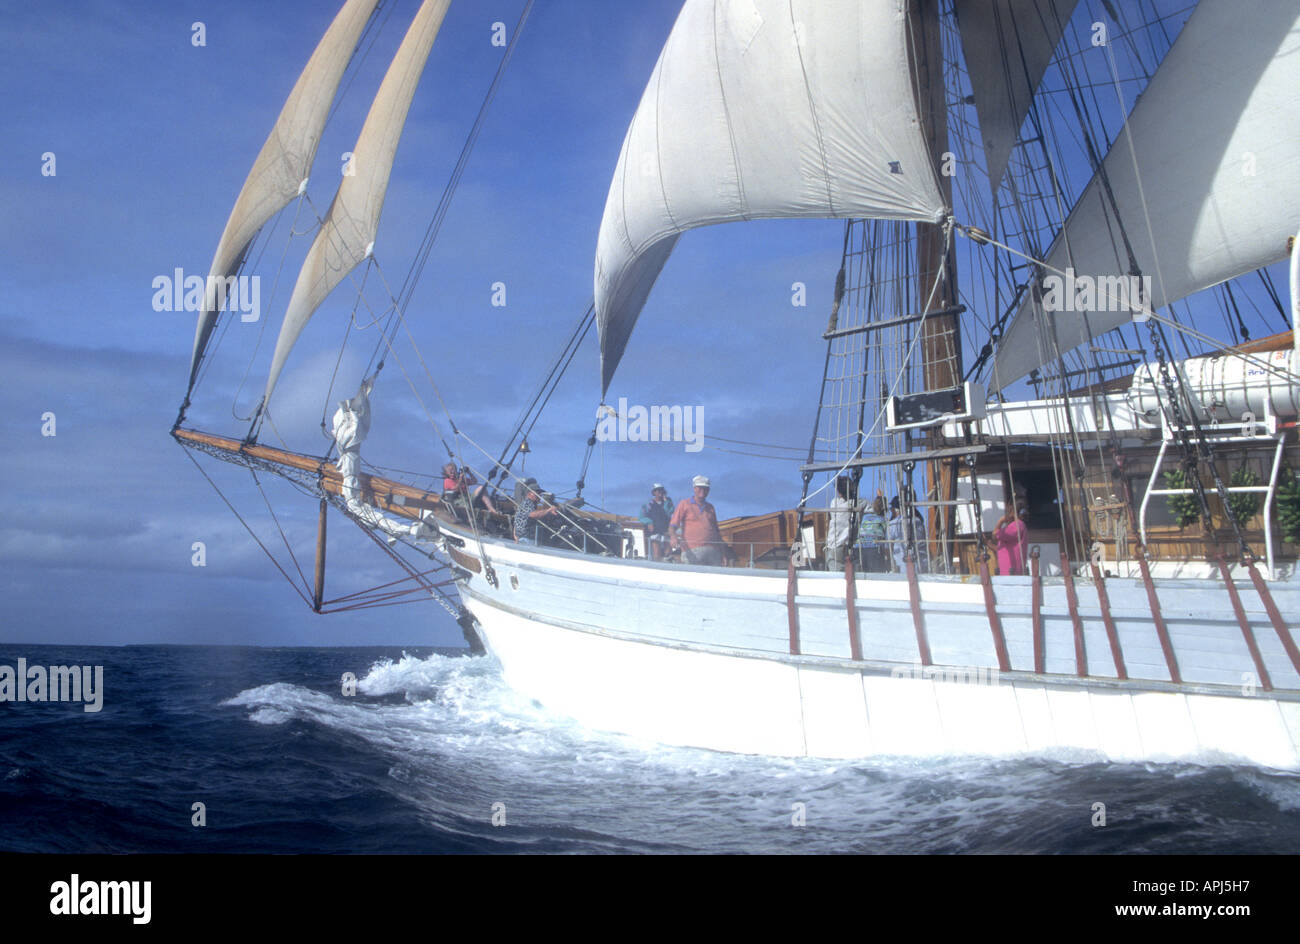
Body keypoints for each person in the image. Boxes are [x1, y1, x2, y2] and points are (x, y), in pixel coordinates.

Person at [670, 475, 731, 566]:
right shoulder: (684, 504)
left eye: (705, 488)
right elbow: (673, 526)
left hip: (713, 551)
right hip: (692, 550)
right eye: (700, 488)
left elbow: (717, 532)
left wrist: (723, 554)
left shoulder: (710, 508)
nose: (702, 491)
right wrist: (673, 537)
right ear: (694, 488)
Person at [512, 478, 557, 544]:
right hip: (526, 538)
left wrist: (516, 536)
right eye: (537, 493)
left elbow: (517, 521)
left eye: (539, 493)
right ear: (529, 494)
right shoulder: (527, 503)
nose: (539, 495)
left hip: (523, 538)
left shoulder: (528, 504)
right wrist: (549, 510)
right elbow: (532, 514)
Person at [638, 483, 674, 561]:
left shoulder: (668, 502)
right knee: (657, 554)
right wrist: (649, 522)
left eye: (661, 490)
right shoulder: (648, 504)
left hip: (665, 530)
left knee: (668, 553)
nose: (660, 492)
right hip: (655, 530)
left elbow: (669, 512)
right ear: (654, 492)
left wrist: (666, 502)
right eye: (657, 491)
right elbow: (641, 517)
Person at [826, 476, 854, 572]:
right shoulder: (856, 503)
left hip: (832, 545)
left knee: (835, 578)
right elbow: (875, 510)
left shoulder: (834, 503)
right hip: (844, 546)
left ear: (839, 492)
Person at [993, 503, 1028, 575]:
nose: (1006, 513)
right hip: (1010, 570)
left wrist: (1000, 521)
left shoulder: (1016, 525)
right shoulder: (1019, 525)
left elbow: (995, 534)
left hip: (1011, 571)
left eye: (1008, 511)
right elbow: (1004, 546)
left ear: (1013, 512)